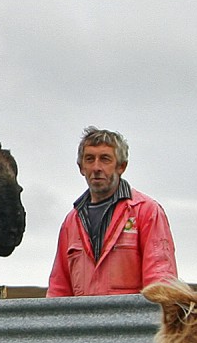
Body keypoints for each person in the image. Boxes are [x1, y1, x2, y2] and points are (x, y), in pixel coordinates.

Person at [47, 127, 177, 297]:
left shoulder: (146, 212)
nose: (96, 167)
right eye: (89, 159)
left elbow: (160, 280)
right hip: (84, 315)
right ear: (81, 167)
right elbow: (59, 288)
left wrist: (154, 312)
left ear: (121, 166)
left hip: (132, 315)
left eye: (105, 159)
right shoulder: (72, 221)